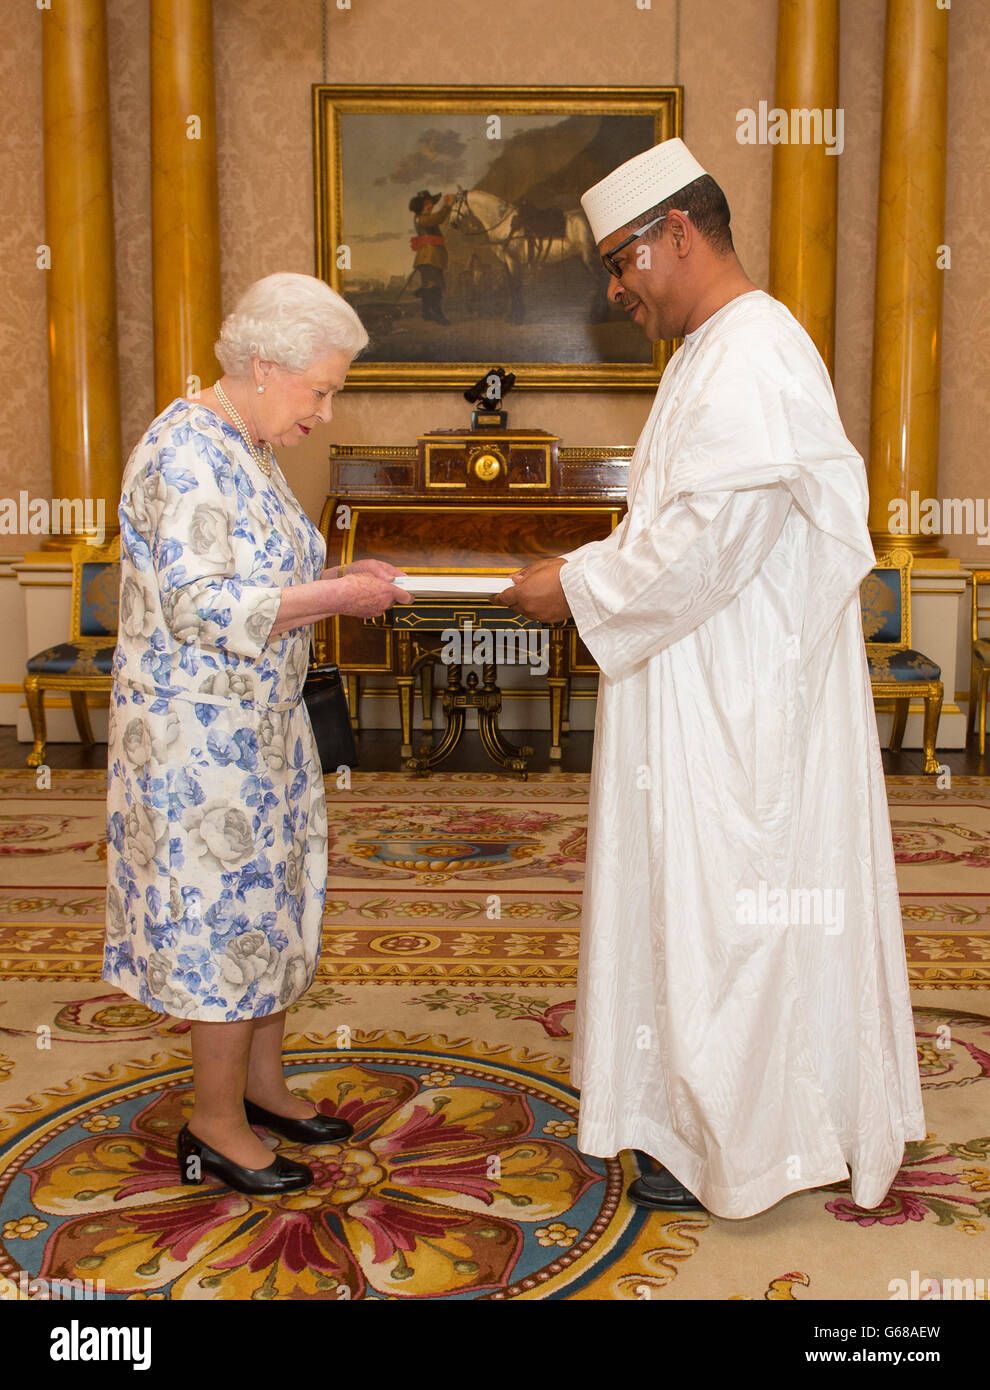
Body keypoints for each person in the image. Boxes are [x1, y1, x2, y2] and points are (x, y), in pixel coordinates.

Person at [499, 138, 925, 1220]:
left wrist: (575, 585)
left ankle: (744, 1138)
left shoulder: (753, 352)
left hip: (743, 714)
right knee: (690, 911)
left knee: (730, 919)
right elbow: (683, 528)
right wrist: (595, 575)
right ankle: (698, 1118)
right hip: (700, 686)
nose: (615, 288)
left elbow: (707, 546)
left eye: (619, 263)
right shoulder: (710, 349)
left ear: (676, 234)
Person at [105, 272, 410, 1195]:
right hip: (198, 742)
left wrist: (335, 580)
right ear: (264, 365)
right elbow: (202, 605)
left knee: (272, 911)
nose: (325, 410)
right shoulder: (188, 451)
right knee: (222, 922)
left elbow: (267, 569)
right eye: (320, 389)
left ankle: (264, 1088)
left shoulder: (247, 442)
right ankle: (213, 1120)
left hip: (258, 729)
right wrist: (336, 596)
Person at [409, 189, 454, 324]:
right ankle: (437, 315)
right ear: (420, 207)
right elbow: (439, 218)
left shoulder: (423, 218)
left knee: (429, 285)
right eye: (426, 204)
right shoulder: (423, 219)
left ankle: (426, 312)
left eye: (430, 203)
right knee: (434, 286)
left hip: (431, 257)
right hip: (429, 257)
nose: (430, 206)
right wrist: (448, 205)